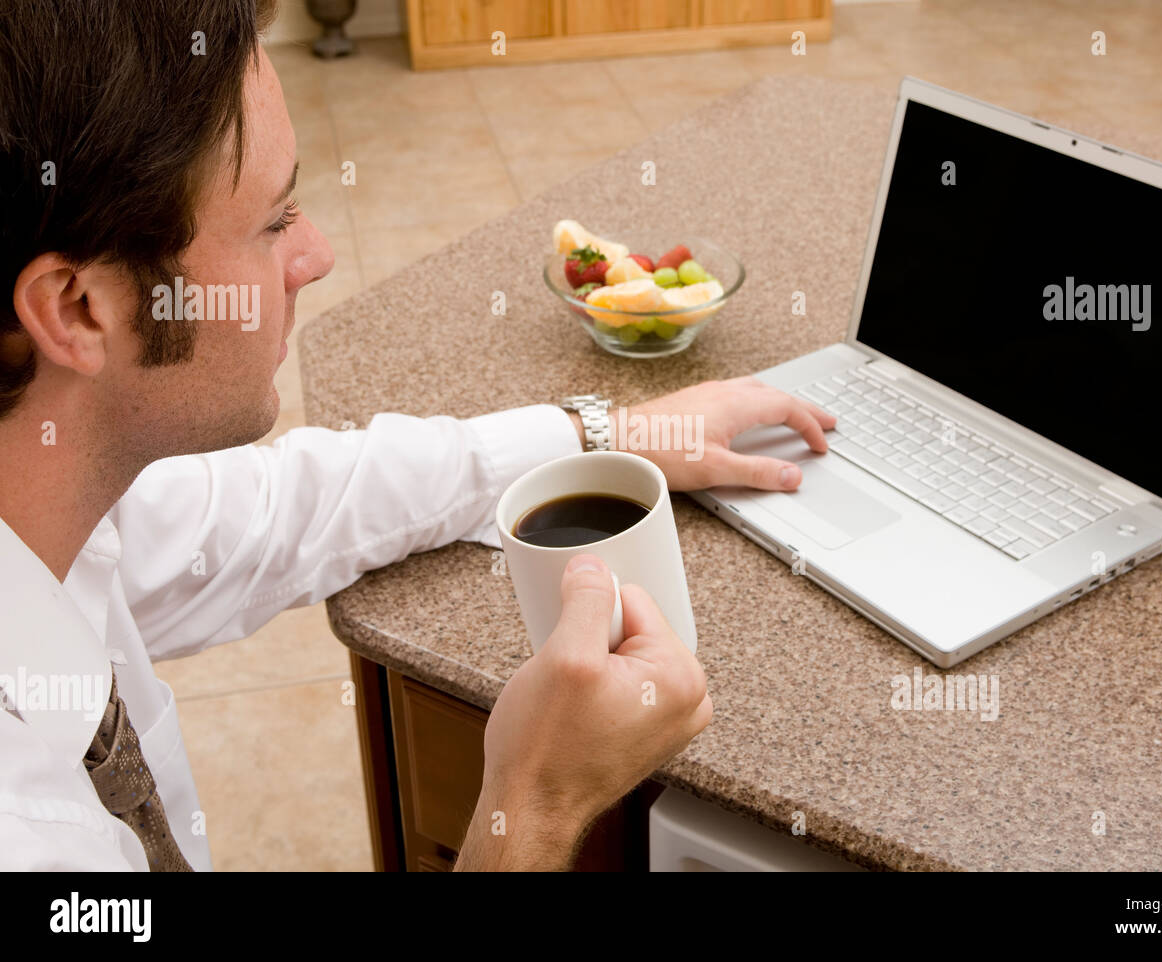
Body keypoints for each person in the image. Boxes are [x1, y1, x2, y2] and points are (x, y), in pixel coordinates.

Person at [0, 0, 834, 871]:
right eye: (274, 222)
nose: (315, 255)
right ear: (77, 309)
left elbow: (293, 508)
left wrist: (605, 436)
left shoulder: (59, 497)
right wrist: (535, 807)